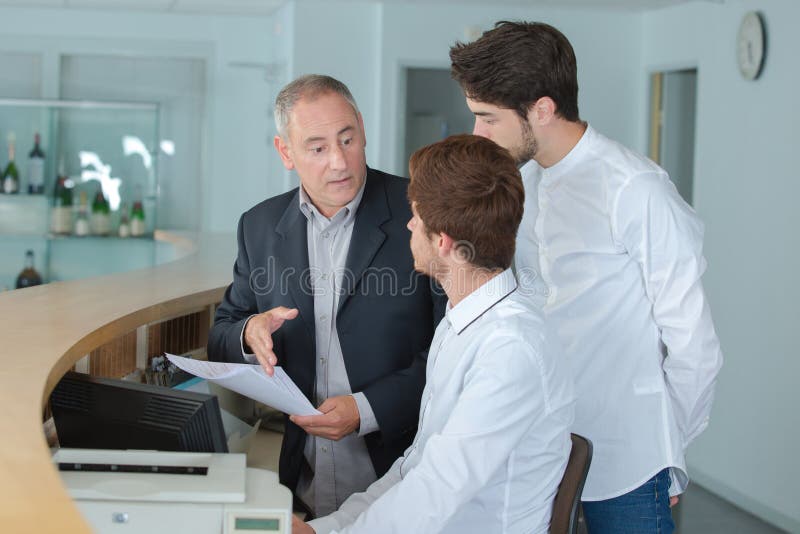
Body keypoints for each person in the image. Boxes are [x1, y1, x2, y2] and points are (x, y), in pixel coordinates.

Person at [450, 21, 723, 533]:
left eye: (488, 118)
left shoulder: (636, 190)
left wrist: (669, 457)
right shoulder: (521, 184)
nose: (477, 135)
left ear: (542, 109)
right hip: (540, 450)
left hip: (629, 462)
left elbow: (694, 344)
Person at [293, 134, 575, 534]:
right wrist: (325, 528)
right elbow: (415, 467)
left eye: (416, 215)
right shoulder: (460, 321)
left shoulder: (510, 349)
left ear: (442, 241)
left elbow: (434, 492)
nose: (409, 223)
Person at [207, 74, 444, 518]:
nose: (339, 161)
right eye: (317, 148)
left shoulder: (421, 211)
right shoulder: (258, 227)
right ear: (286, 153)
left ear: (362, 129)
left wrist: (367, 409)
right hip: (304, 486)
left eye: (348, 139)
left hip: (404, 482)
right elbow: (221, 335)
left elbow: (451, 351)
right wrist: (249, 331)